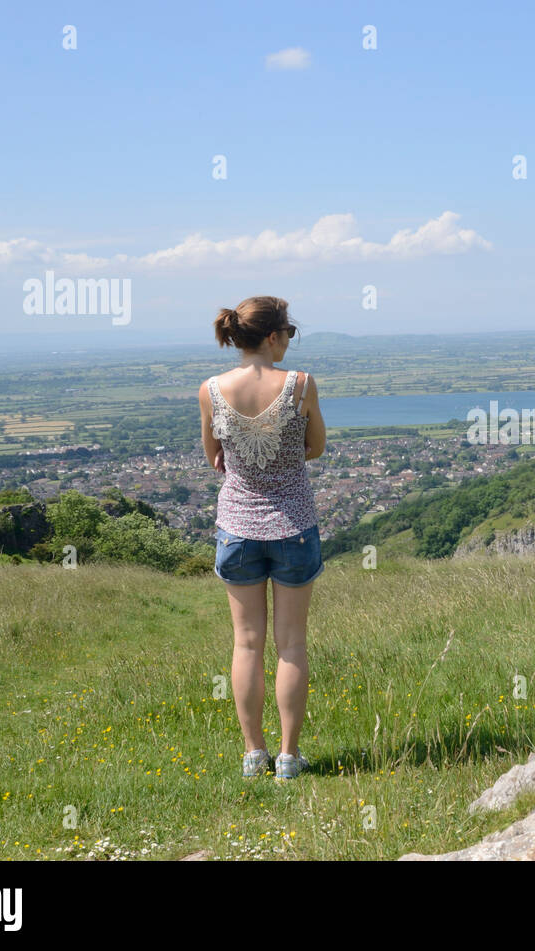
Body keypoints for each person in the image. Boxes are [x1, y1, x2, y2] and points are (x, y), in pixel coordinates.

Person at [197, 296, 326, 780]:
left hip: (237, 528)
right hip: (294, 526)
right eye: (289, 332)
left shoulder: (210, 389)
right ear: (273, 337)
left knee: (246, 644)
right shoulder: (300, 385)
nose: (290, 340)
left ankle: (254, 755)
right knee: (291, 645)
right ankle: (289, 759)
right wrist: (286, 460)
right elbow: (316, 446)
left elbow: (215, 455)